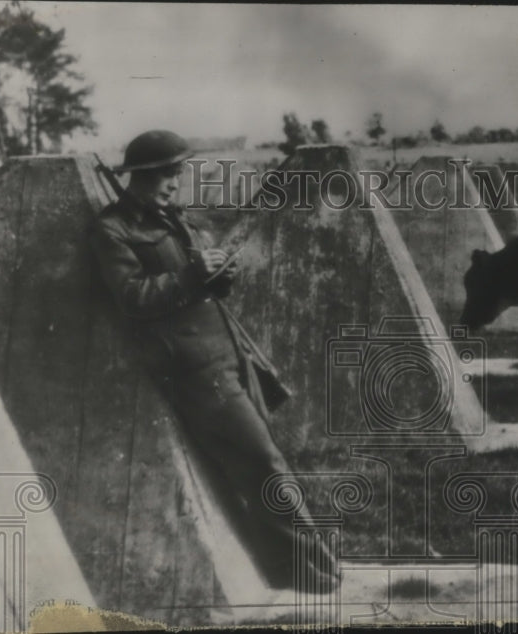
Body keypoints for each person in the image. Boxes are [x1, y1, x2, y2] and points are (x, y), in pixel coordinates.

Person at [88, 130, 338, 593]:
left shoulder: (174, 218)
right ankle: (304, 569)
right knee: (261, 462)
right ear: (140, 176)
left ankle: (308, 566)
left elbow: (198, 282)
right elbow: (131, 298)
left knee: (262, 460)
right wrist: (190, 274)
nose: (174, 181)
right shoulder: (113, 229)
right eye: (166, 172)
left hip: (228, 354)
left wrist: (221, 275)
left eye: (177, 171)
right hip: (192, 368)